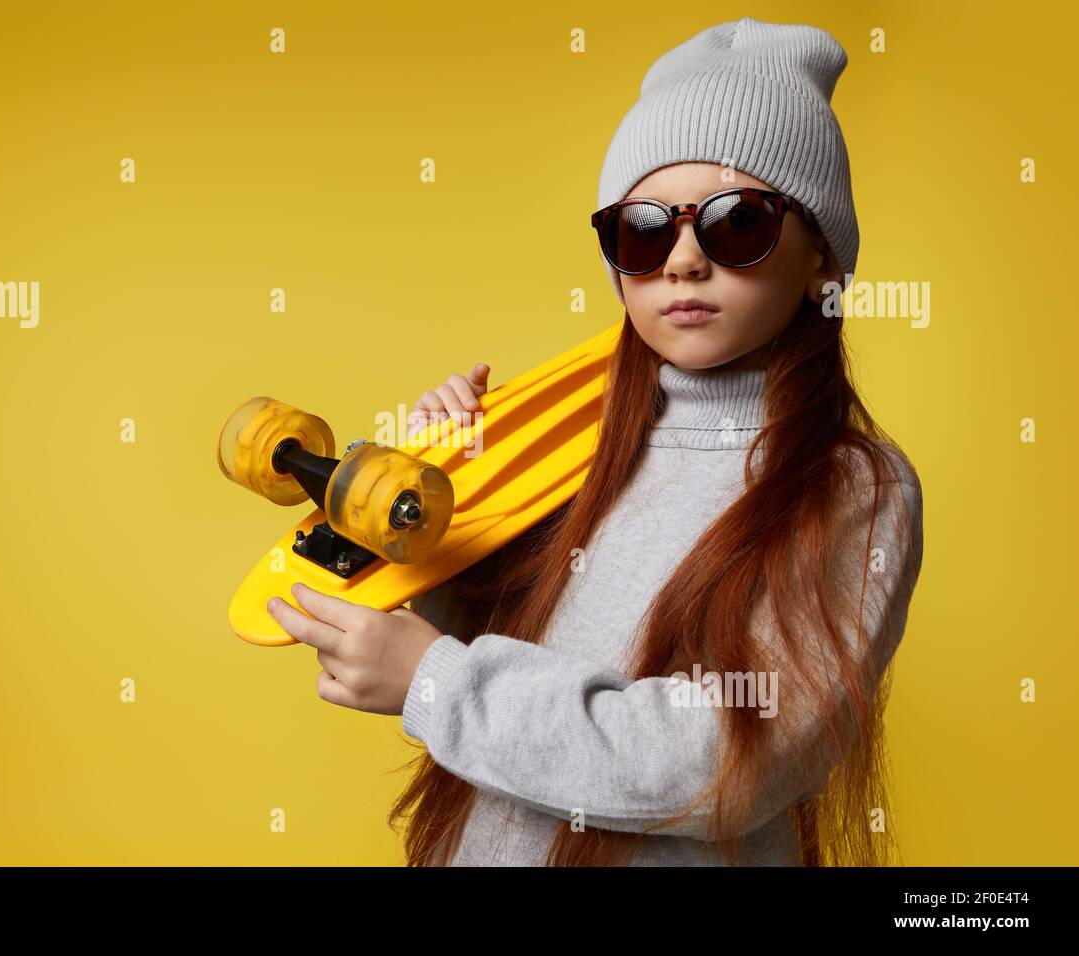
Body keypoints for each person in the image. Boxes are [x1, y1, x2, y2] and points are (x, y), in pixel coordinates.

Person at [267, 16, 923, 867]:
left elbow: (725, 764)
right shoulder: (581, 438)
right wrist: (439, 503)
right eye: (644, 231)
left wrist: (438, 684)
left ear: (822, 260)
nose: (683, 260)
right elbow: (491, 642)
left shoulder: (852, 491)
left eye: (735, 224)